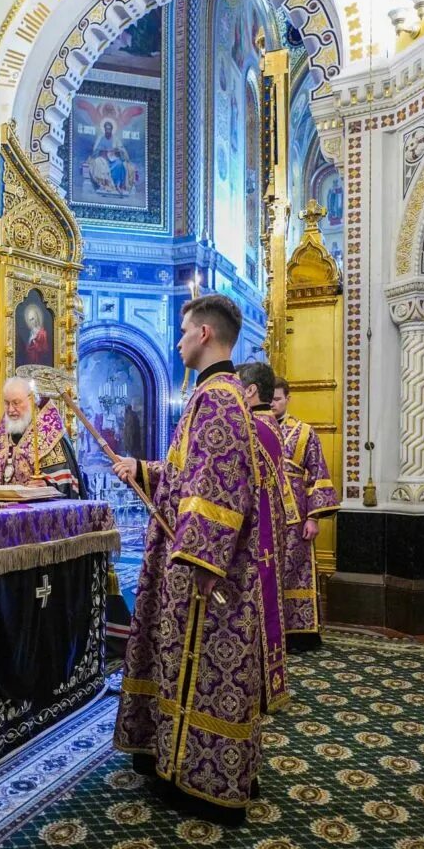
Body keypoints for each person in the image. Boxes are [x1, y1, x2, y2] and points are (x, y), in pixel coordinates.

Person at [110, 295, 275, 822]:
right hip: (189, 557)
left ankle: (200, 780)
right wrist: (143, 468)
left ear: (204, 333)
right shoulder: (213, 394)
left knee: (201, 668)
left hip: (202, 569)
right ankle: (171, 759)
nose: (178, 340)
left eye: (184, 331)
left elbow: (221, 485)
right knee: (185, 663)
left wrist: (204, 560)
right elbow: (189, 472)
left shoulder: (218, 399)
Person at [238, 361, 298, 710]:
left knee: (256, 604)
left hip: (258, 531)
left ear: (249, 391)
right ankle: (267, 686)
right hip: (267, 526)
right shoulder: (268, 423)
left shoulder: (253, 427)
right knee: (266, 602)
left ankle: (255, 687)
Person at [270, 377, 338, 650]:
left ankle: (298, 634)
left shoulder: (304, 432)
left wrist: (313, 518)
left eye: (277, 398)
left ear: (288, 398)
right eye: (269, 398)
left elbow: (318, 474)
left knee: (296, 571)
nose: (272, 403)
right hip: (264, 514)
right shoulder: (252, 429)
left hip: (295, 517)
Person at [0, 377, 81, 497]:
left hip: (37, 505)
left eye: (16, 403)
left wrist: (46, 484)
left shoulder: (50, 430)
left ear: (32, 400)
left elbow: (65, 480)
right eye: (7, 403)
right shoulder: (2, 431)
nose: (10, 410)